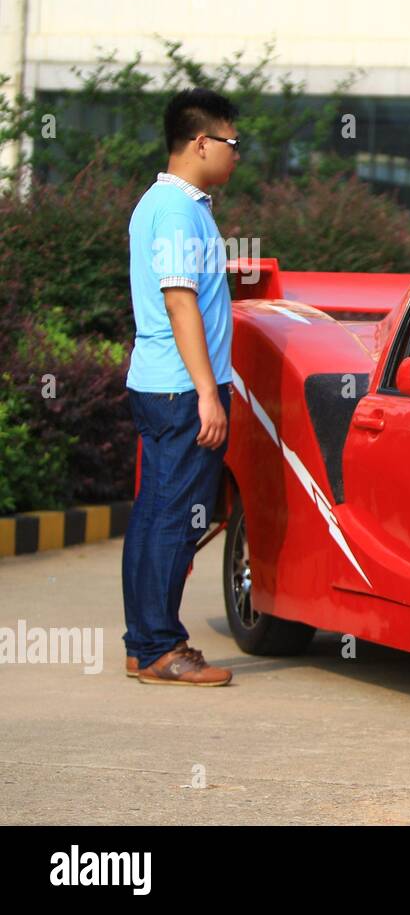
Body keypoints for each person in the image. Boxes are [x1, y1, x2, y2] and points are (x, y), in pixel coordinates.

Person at [122, 88, 240, 686]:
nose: (236, 155)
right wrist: (207, 393)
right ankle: (160, 648)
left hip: (165, 384)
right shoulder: (174, 211)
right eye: (231, 142)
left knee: (154, 514)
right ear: (201, 142)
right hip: (179, 390)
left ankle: (143, 643)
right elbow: (178, 300)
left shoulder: (177, 205)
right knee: (174, 518)